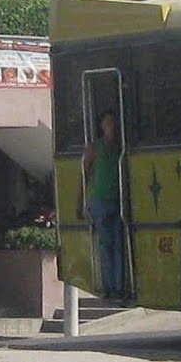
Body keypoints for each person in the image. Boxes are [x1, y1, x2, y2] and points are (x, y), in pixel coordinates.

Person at [82, 109, 127, 301]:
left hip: (118, 200)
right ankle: (108, 286)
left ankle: (118, 286)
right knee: (105, 245)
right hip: (99, 201)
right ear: (102, 126)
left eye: (114, 123)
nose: (112, 127)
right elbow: (84, 175)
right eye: (108, 123)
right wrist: (80, 202)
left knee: (118, 245)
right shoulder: (95, 148)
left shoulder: (120, 148)